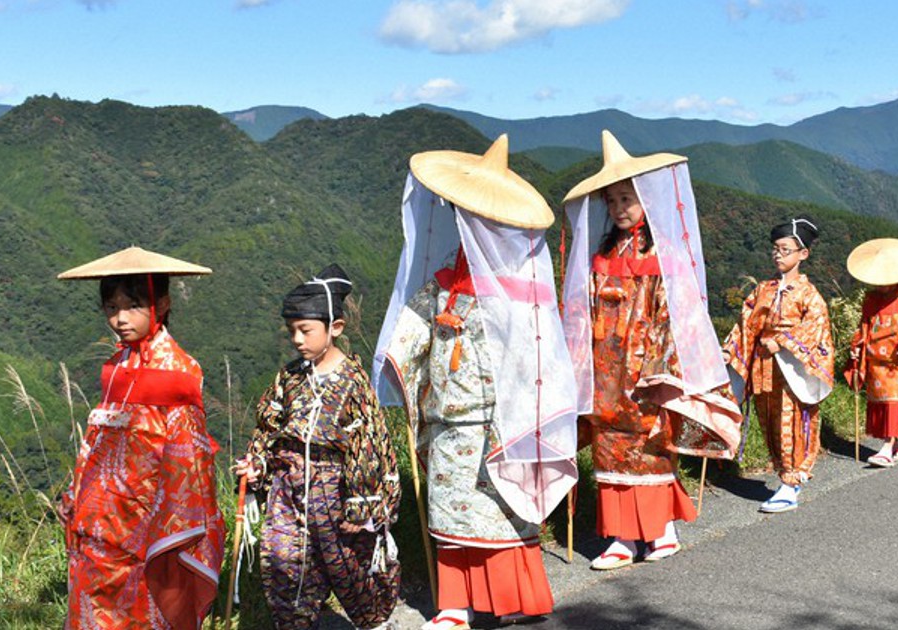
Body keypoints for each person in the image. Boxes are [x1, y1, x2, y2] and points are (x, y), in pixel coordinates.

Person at [376, 135, 577, 629]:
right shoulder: (443, 285)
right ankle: (454, 604)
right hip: (447, 421)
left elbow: (540, 354)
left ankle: (506, 597)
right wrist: (397, 368)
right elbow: (410, 334)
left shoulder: (522, 290)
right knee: (449, 511)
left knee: (499, 507)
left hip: (499, 422)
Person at [561, 131, 741, 568]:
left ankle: (662, 531)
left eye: (628, 198)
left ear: (644, 200)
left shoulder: (665, 256)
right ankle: (621, 538)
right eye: (613, 200)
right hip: (606, 373)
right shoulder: (600, 257)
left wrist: (660, 368)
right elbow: (582, 310)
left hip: (645, 371)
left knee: (650, 448)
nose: (620, 208)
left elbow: (675, 316)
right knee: (610, 449)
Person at [57, 246, 225, 630]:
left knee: (142, 614)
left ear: (161, 304)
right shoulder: (117, 364)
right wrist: (75, 491)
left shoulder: (179, 368)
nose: (119, 318)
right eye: (111, 307)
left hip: (145, 526)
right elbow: (98, 436)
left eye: (132, 306)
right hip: (96, 520)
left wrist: (168, 526)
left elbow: (188, 459)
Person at [235, 263, 401, 630]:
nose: (297, 339)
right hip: (289, 489)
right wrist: (257, 465)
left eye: (305, 330)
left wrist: (363, 503)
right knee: (284, 563)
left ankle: (373, 621)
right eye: (292, 330)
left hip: (337, 492)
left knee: (350, 566)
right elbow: (270, 425)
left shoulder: (354, 382)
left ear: (335, 328)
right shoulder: (290, 377)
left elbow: (369, 444)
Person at [723, 219, 834, 508]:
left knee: (791, 421)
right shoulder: (763, 289)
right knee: (770, 421)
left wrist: (783, 342)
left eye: (785, 250)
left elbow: (816, 328)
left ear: (803, 254)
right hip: (763, 364)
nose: (778, 255)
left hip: (792, 369)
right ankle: (783, 475)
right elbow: (746, 322)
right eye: (776, 249)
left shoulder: (809, 294)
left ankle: (791, 482)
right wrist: (731, 349)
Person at [842, 238, 898, 467]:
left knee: (894, 401)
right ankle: (892, 445)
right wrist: (857, 347)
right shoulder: (870, 299)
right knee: (881, 402)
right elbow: (864, 326)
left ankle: (887, 447)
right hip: (875, 359)